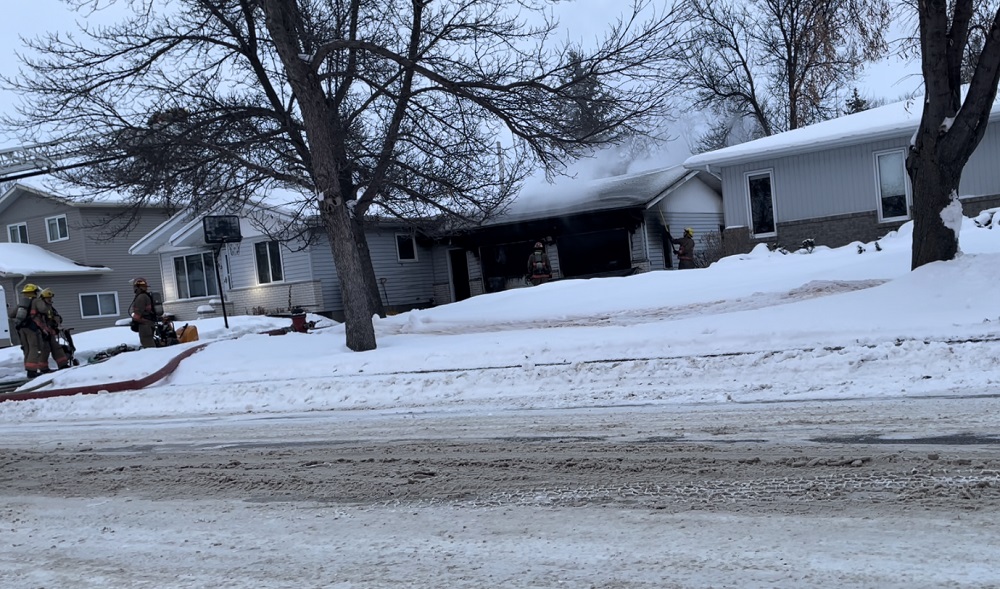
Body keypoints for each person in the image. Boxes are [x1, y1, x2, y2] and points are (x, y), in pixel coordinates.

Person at [8, 283, 52, 378]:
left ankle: (29, 369)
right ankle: (32, 371)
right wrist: (46, 302)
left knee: (27, 348)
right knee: (34, 348)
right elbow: (44, 310)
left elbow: (11, 314)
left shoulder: (22, 303)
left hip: (21, 328)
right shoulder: (36, 301)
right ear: (35, 292)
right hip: (32, 328)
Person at [39, 288, 72, 369]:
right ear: (43, 298)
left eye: (50, 298)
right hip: (42, 333)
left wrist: (56, 320)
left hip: (51, 332)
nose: (50, 299)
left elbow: (57, 317)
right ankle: (43, 368)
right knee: (45, 349)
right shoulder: (40, 307)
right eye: (48, 298)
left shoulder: (50, 307)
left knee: (57, 348)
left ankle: (63, 364)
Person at [129, 277, 158, 348]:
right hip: (149, 324)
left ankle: (153, 358)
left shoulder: (141, 297)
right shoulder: (145, 296)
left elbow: (138, 313)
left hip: (144, 325)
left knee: (148, 345)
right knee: (149, 342)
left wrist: (135, 321)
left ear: (137, 287)